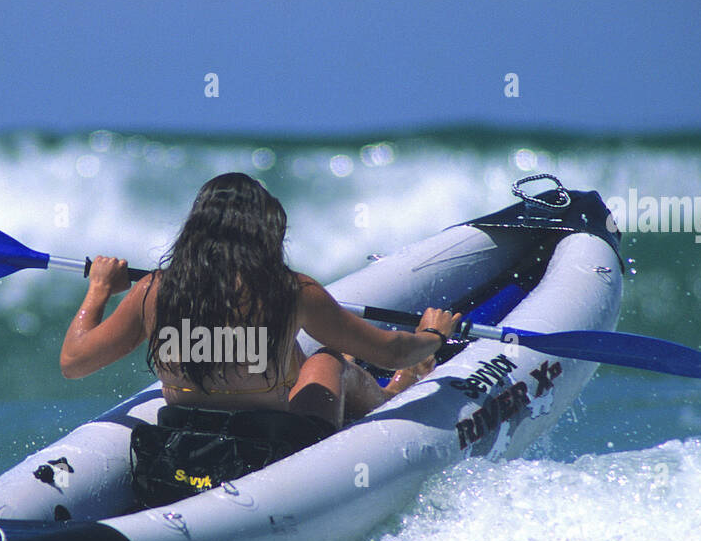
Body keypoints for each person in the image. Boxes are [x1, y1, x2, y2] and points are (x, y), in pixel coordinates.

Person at [60, 173, 460, 506]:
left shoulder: (152, 290)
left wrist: (99, 288)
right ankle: (391, 396)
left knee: (297, 358)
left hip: (178, 451)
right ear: (265, 234)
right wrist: (432, 334)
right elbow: (391, 351)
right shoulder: (291, 291)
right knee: (331, 361)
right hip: (267, 456)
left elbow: (74, 362)